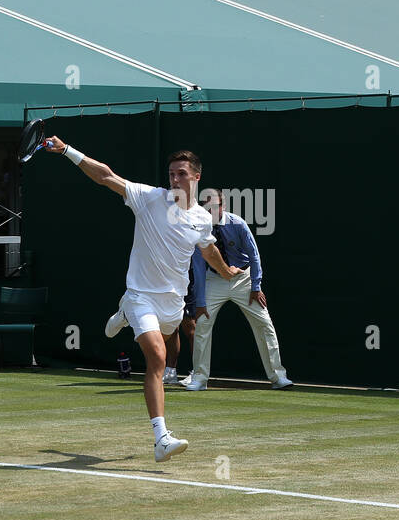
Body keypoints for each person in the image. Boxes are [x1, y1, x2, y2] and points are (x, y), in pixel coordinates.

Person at [45, 136, 240, 462]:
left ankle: (122, 313)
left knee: (166, 339)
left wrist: (226, 269)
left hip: (172, 303)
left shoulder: (203, 218)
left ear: (196, 177)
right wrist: (67, 150)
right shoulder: (150, 198)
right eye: (172, 173)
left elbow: (207, 248)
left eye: (181, 173)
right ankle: (161, 437)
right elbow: (106, 176)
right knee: (157, 358)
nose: (175, 178)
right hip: (141, 295)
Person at [183, 188, 293, 391]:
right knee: (203, 325)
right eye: (205, 207)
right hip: (213, 280)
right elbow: (198, 266)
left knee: (264, 324)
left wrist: (255, 286)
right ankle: (199, 378)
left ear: (222, 207)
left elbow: (254, 255)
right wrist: (200, 301)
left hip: (243, 279)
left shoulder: (237, 224)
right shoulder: (199, 229)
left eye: (213, 206)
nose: (209, 211)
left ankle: (278, 377)